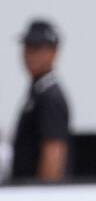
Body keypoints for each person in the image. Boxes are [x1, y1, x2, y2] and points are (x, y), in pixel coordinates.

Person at [9, 19, 71, 184]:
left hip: (35, 200)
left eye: (37, 48)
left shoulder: (50, 96)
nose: (30, 55)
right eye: (27, 47)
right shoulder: (38, 92)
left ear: (54, 52)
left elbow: (53, 151)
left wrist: (41, 197)